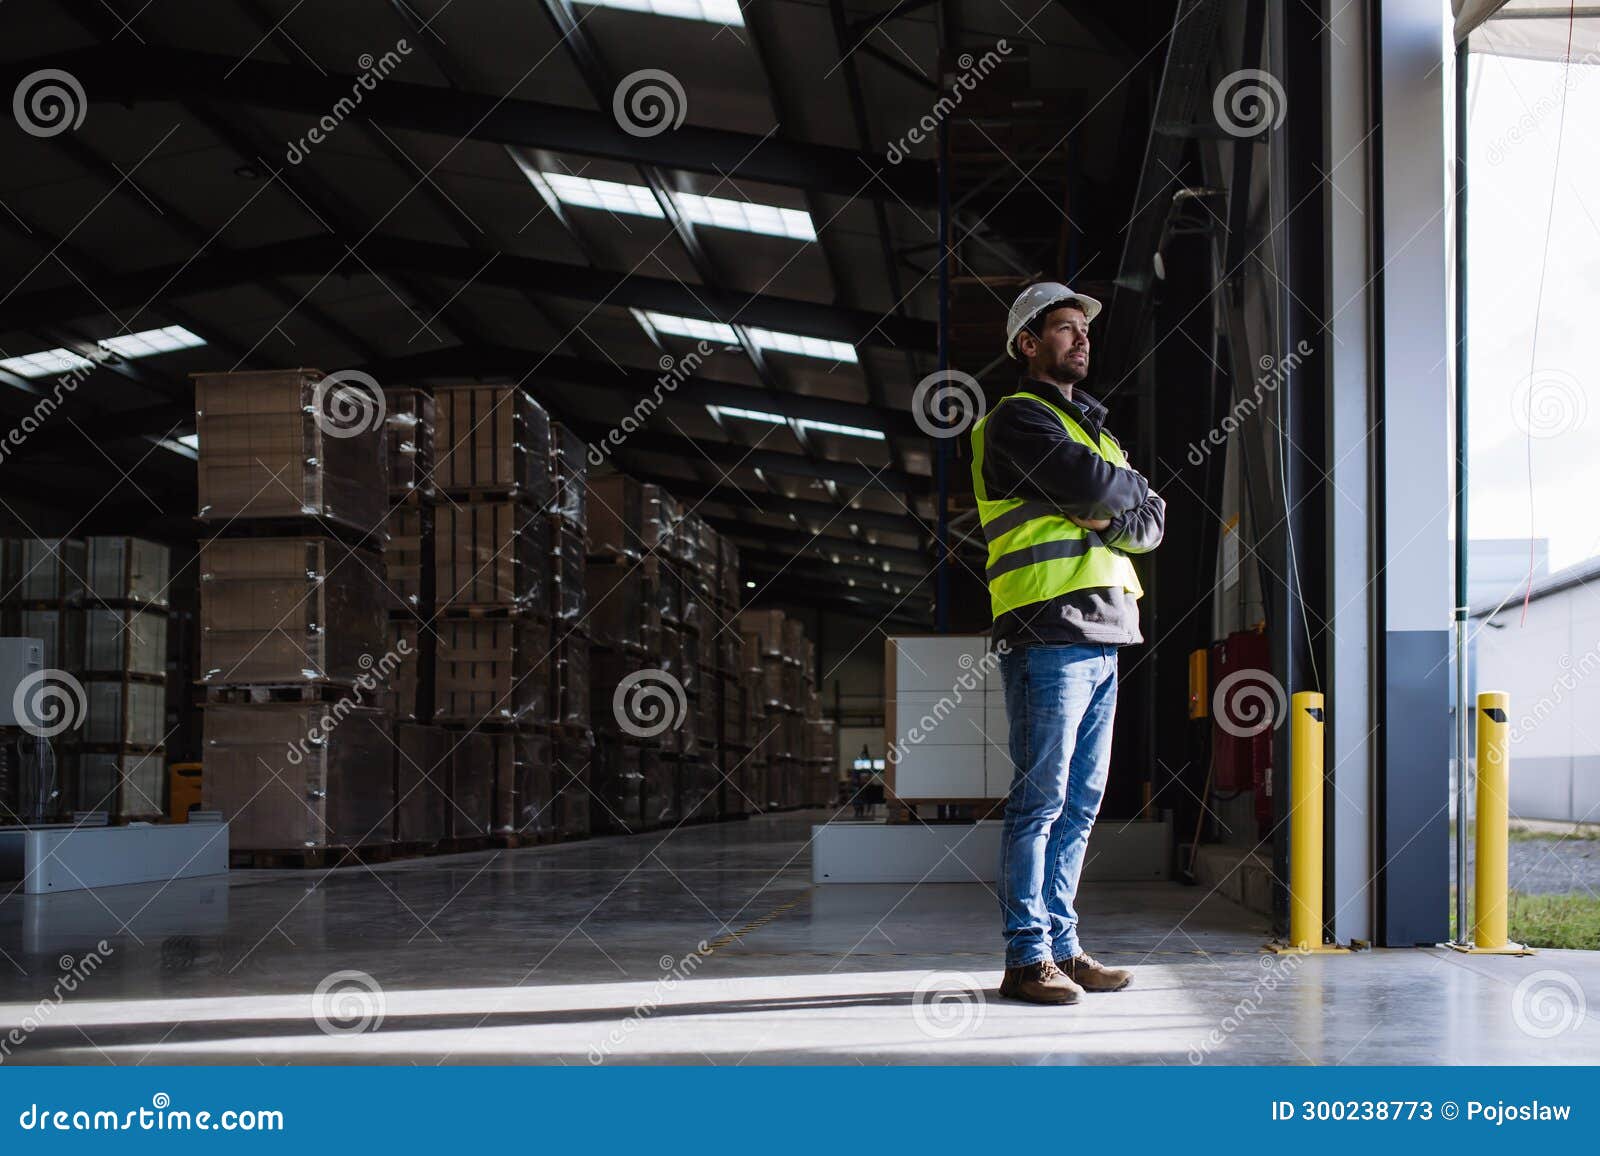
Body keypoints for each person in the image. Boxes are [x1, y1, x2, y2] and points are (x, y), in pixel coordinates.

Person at [971, 282, 1166, 1005]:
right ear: (1028, 344)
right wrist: (1118, 505)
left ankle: (1063, 944)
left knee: (1082, 803)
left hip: (1105, 631)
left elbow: (1149, 519)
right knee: (1041, 802)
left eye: (1083, 329)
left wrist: (1116, 506)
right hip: (1047, 629)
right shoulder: (1019, 420)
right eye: (1063, 328)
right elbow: (1115, 501)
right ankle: (1026, 958)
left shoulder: (1097, 432)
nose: (1081, 338)